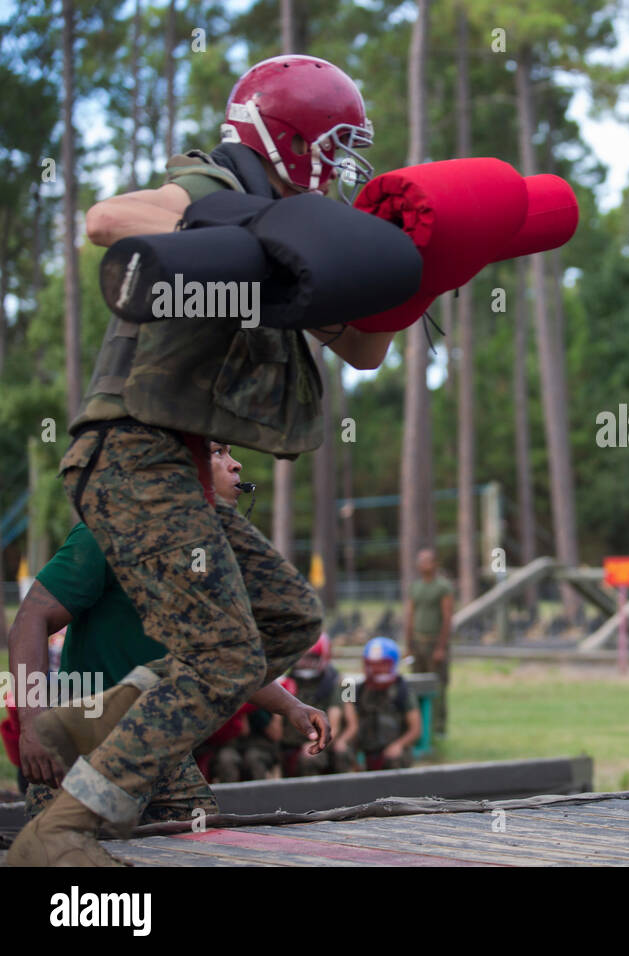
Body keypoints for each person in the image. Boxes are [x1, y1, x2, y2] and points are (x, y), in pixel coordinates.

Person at [6, 53, 394, 867]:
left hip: (178, 467)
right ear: (290, 139)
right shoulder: (216, 185)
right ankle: (61, 832)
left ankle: (80, 723)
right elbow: (107, 221)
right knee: (222, 657)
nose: (345, 166)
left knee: (288, 618)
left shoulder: (295, 234)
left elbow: (361, 350)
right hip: (130, 453)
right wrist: (252, 227)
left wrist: (417, 271)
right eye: (338, 144)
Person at [9, 442, 328, 826]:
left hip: (158, 736)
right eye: (218, 452)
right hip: (86, 737)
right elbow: (30, 620)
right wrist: (31, 723)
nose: (236, 464)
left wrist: (291, 707)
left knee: (201, 841)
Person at [338, 638, 421, 772]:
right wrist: (342, 685)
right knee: (341, 752)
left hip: (392, 750)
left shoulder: (402, 690)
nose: (376, 669)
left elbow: (416, 730)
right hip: (367, 749)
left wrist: (398, 745)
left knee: (395, 760)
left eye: (382, 665)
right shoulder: (358, 689)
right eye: (372, 665)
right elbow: (346, 704)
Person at [280, 634, 353, 776]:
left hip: (321, 743)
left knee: (315, 758)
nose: (305, 663)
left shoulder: (341, 683)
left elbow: (337, 723)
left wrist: (317, 745)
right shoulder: (285, 682)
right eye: (302, 657)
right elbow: (276, 727)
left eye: (311, 658)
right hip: (291, 743)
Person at [404, 549, 454, 735]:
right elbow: (409, 614)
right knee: (416, 685)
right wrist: (408, 644)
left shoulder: (443, 587)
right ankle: (418, 728)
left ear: (435, 564)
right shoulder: (415, 587)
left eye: (427, 561)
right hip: (418, 642)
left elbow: (448, 617)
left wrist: (441, 647)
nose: (423, 564)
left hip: (435, 643)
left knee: (438, 686)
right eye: (421, 561)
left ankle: (438, 728)